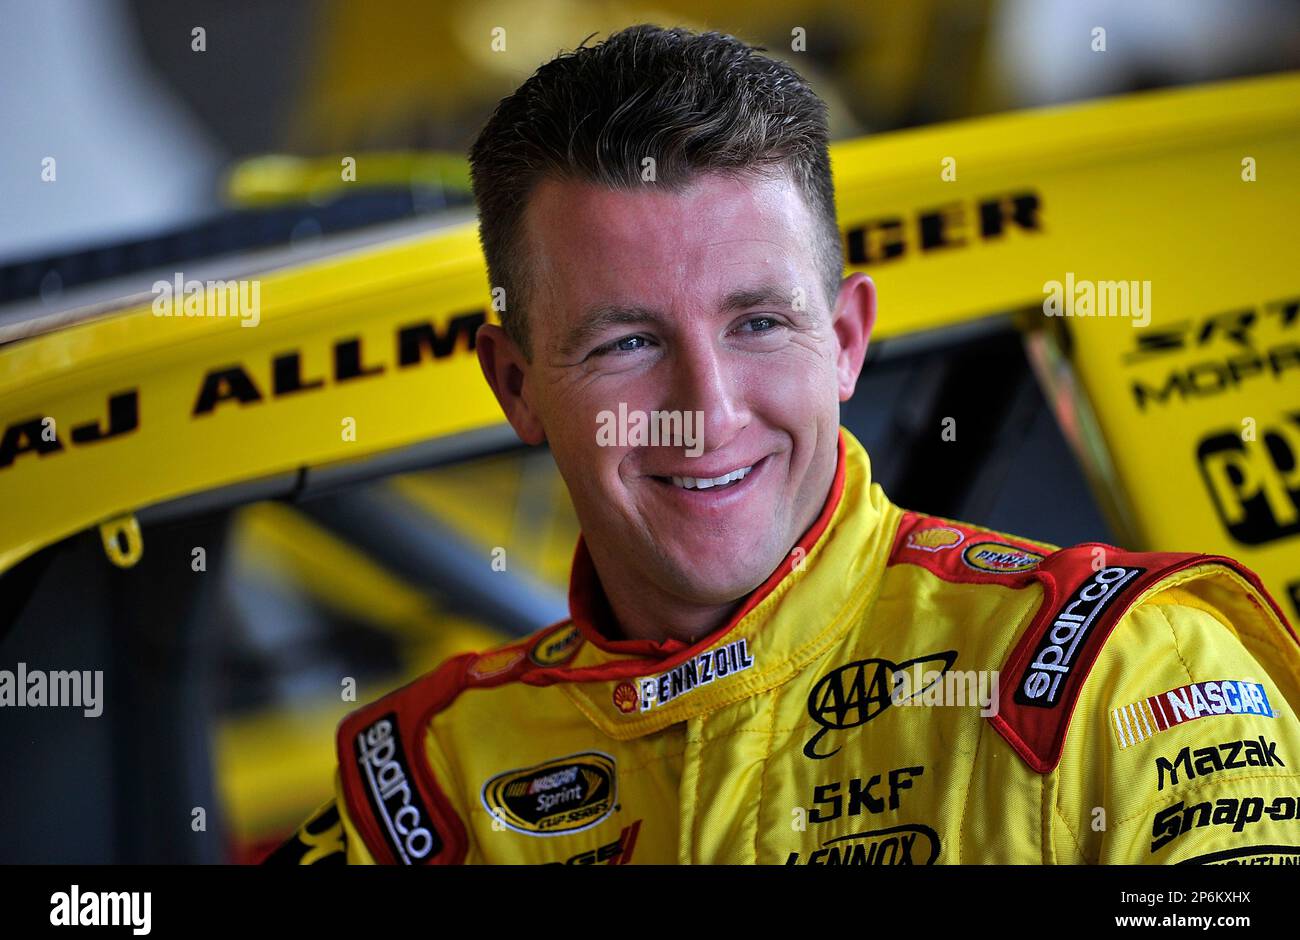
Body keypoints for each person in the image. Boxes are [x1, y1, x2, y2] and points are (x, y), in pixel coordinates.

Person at [267, 24, 1300, 865]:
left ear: (845, 339)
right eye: (628, 341)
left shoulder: (1123, 678)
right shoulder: (426, 791)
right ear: (515, 384)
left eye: (757, 323)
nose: (708, 410)